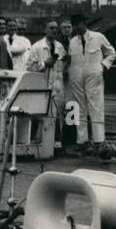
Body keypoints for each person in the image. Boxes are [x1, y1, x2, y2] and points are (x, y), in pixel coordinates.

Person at [65, 13, 116, 154]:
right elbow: (71, 59)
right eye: (74, 24)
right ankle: (82, 141)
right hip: (76, 76)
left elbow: (112, 53)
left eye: (79, 24)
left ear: (84, 23)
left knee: (96, 106)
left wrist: (103, 66)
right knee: (78, 107)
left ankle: (99, 141)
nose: (77, 27)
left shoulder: (98, 37)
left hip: (93, 74)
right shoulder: (73, 42)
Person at [27, 20, 67, 156]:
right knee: (38, 115)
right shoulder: (37, 47)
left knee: (56, 117)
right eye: (51, 28)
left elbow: (62, 67)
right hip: (42, 86)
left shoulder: (60, 47)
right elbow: (29, 67)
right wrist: (44, 64)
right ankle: (33, 142)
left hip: (56, 87)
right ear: (45, 29)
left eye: (56, 28)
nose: (54, 31)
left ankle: (56, 146)